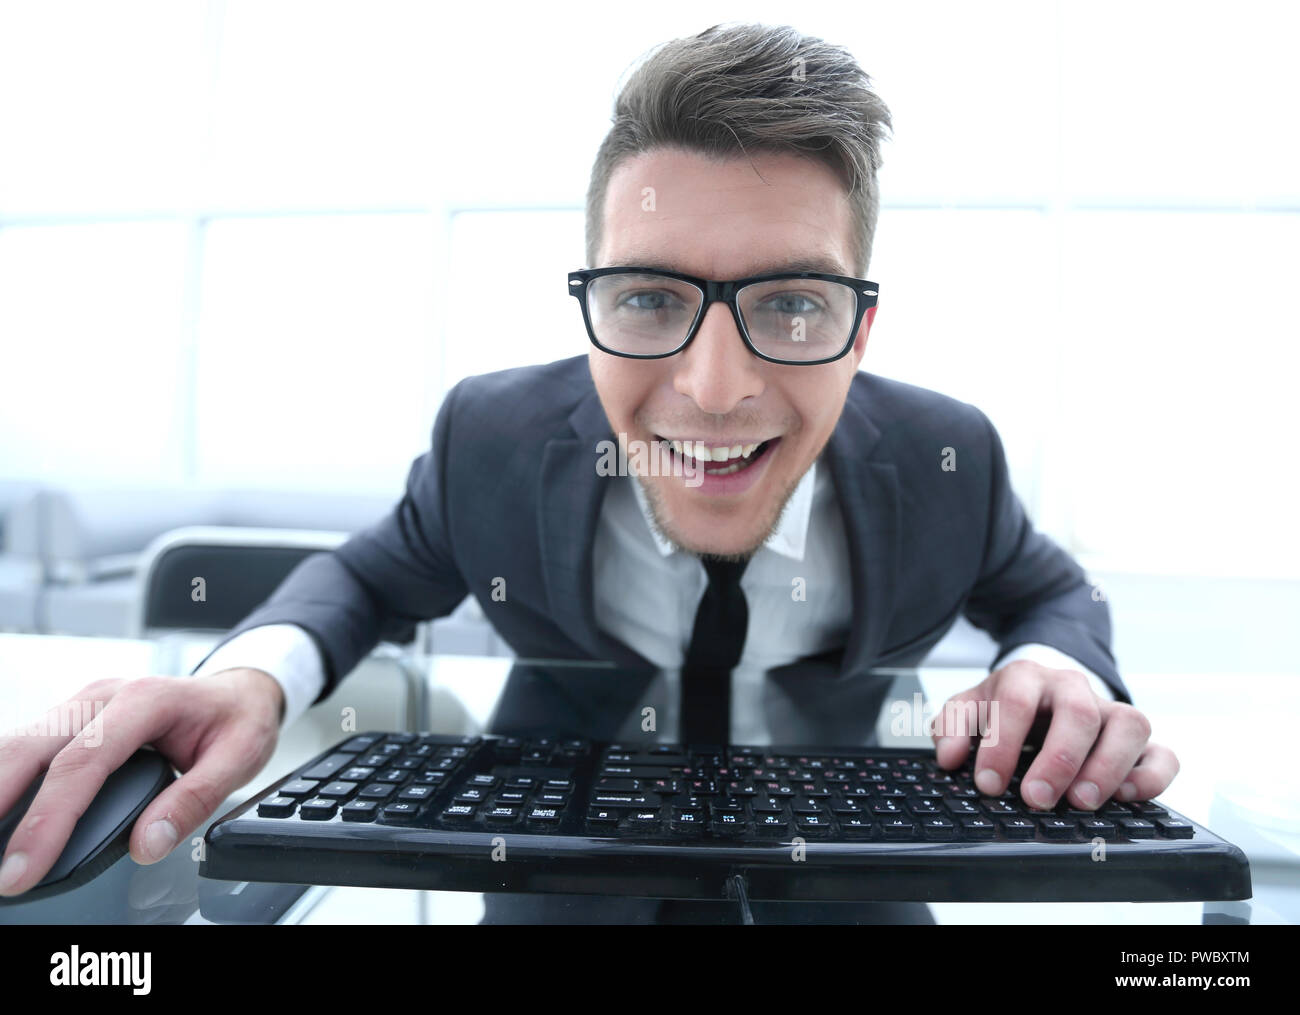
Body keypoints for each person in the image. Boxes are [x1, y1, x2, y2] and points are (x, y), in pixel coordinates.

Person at [0, 23, 1178, 922]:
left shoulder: (947, 455)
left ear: (860, 331)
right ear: (592, 302)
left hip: (848, 865)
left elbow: (1044, 594)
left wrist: (1050, 667)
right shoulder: (493, 436)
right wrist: (246, 683)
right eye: (653, 297)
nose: (715, 387)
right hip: (551, 856)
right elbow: (364, 580)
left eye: (793, 302)